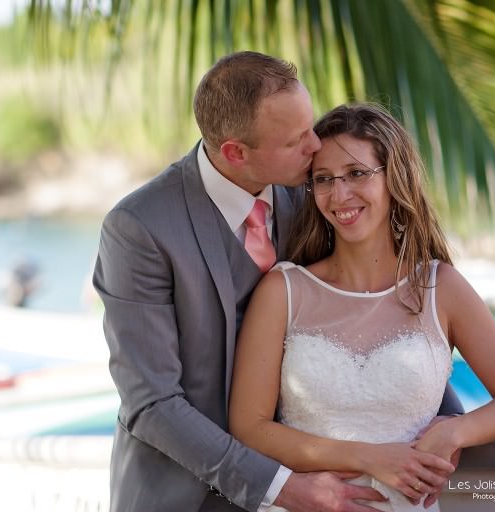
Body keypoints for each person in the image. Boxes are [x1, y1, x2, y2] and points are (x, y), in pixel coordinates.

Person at [93, 52, 462, 512]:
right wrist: (280, 487)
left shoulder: (314, 191)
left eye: (309, 126)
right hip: (184, 495)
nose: (314, 145)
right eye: (295, 140)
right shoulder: (140, 228)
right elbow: (151, 403)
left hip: (330, 490)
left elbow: (376, 305)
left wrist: (443, 419)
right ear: (235, 152)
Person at [228, 103, 495, 512]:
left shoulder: (439, 287)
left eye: (357, 173)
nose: (340, 195)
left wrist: (456, 432)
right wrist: (368, 456)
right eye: (324, 179)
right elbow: (250, 429)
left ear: (395, 178)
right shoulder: (283, 290)